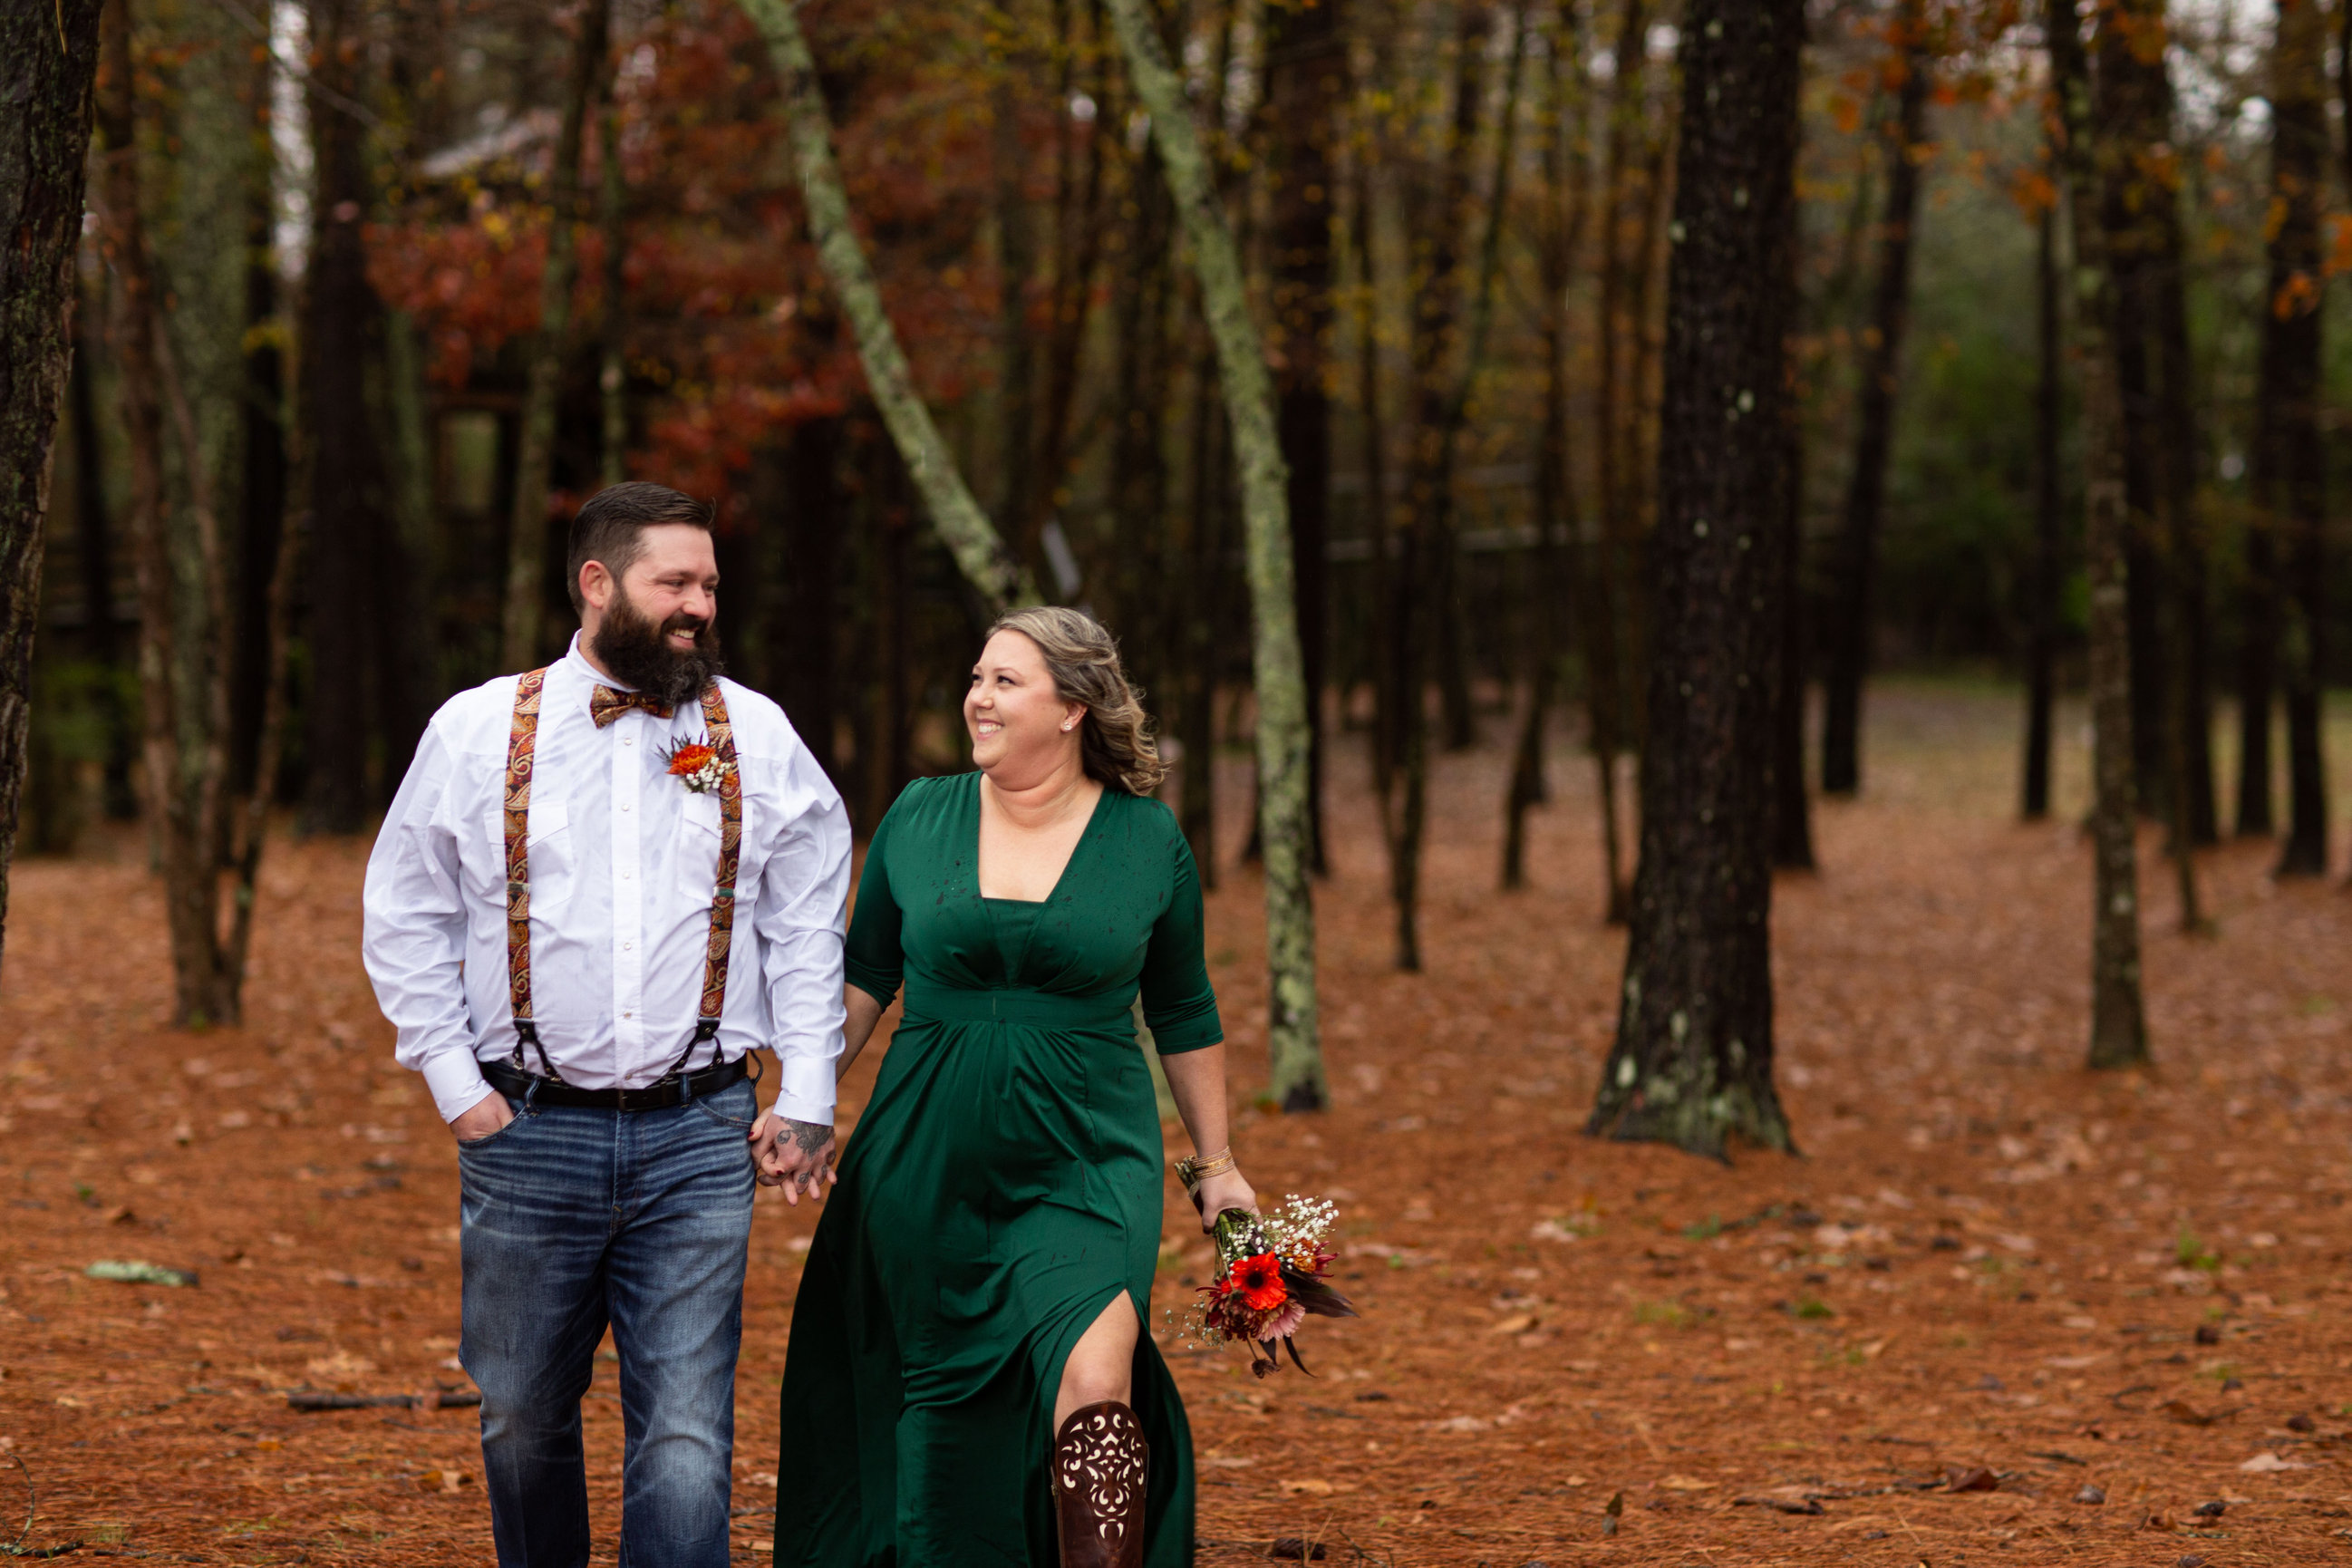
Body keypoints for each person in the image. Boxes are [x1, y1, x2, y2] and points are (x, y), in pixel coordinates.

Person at [361, 481, 852, 1568]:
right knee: (521, 1417)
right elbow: (405, 909)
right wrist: (458, 1084)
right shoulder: (479, 728)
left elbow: (810, 920)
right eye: (675, 581)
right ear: (596, 582)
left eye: (711, 585)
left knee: (684, 1434)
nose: (699, 607)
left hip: (698, 1134)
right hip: (527, 1132)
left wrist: (808, 1092)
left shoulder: (757, 735)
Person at [772, 606, 1256, 1568]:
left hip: (1085, 1151)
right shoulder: (920, 813)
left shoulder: (1145, 839)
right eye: (977, 676)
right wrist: (807, 1099)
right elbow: (865, 976)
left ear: (1074, 706)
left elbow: (1185, 1009)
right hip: (925, 1152)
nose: (978, 697)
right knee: (940, 1396)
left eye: (1006, 681)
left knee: (1096, 1363)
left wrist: (1220, 1164)